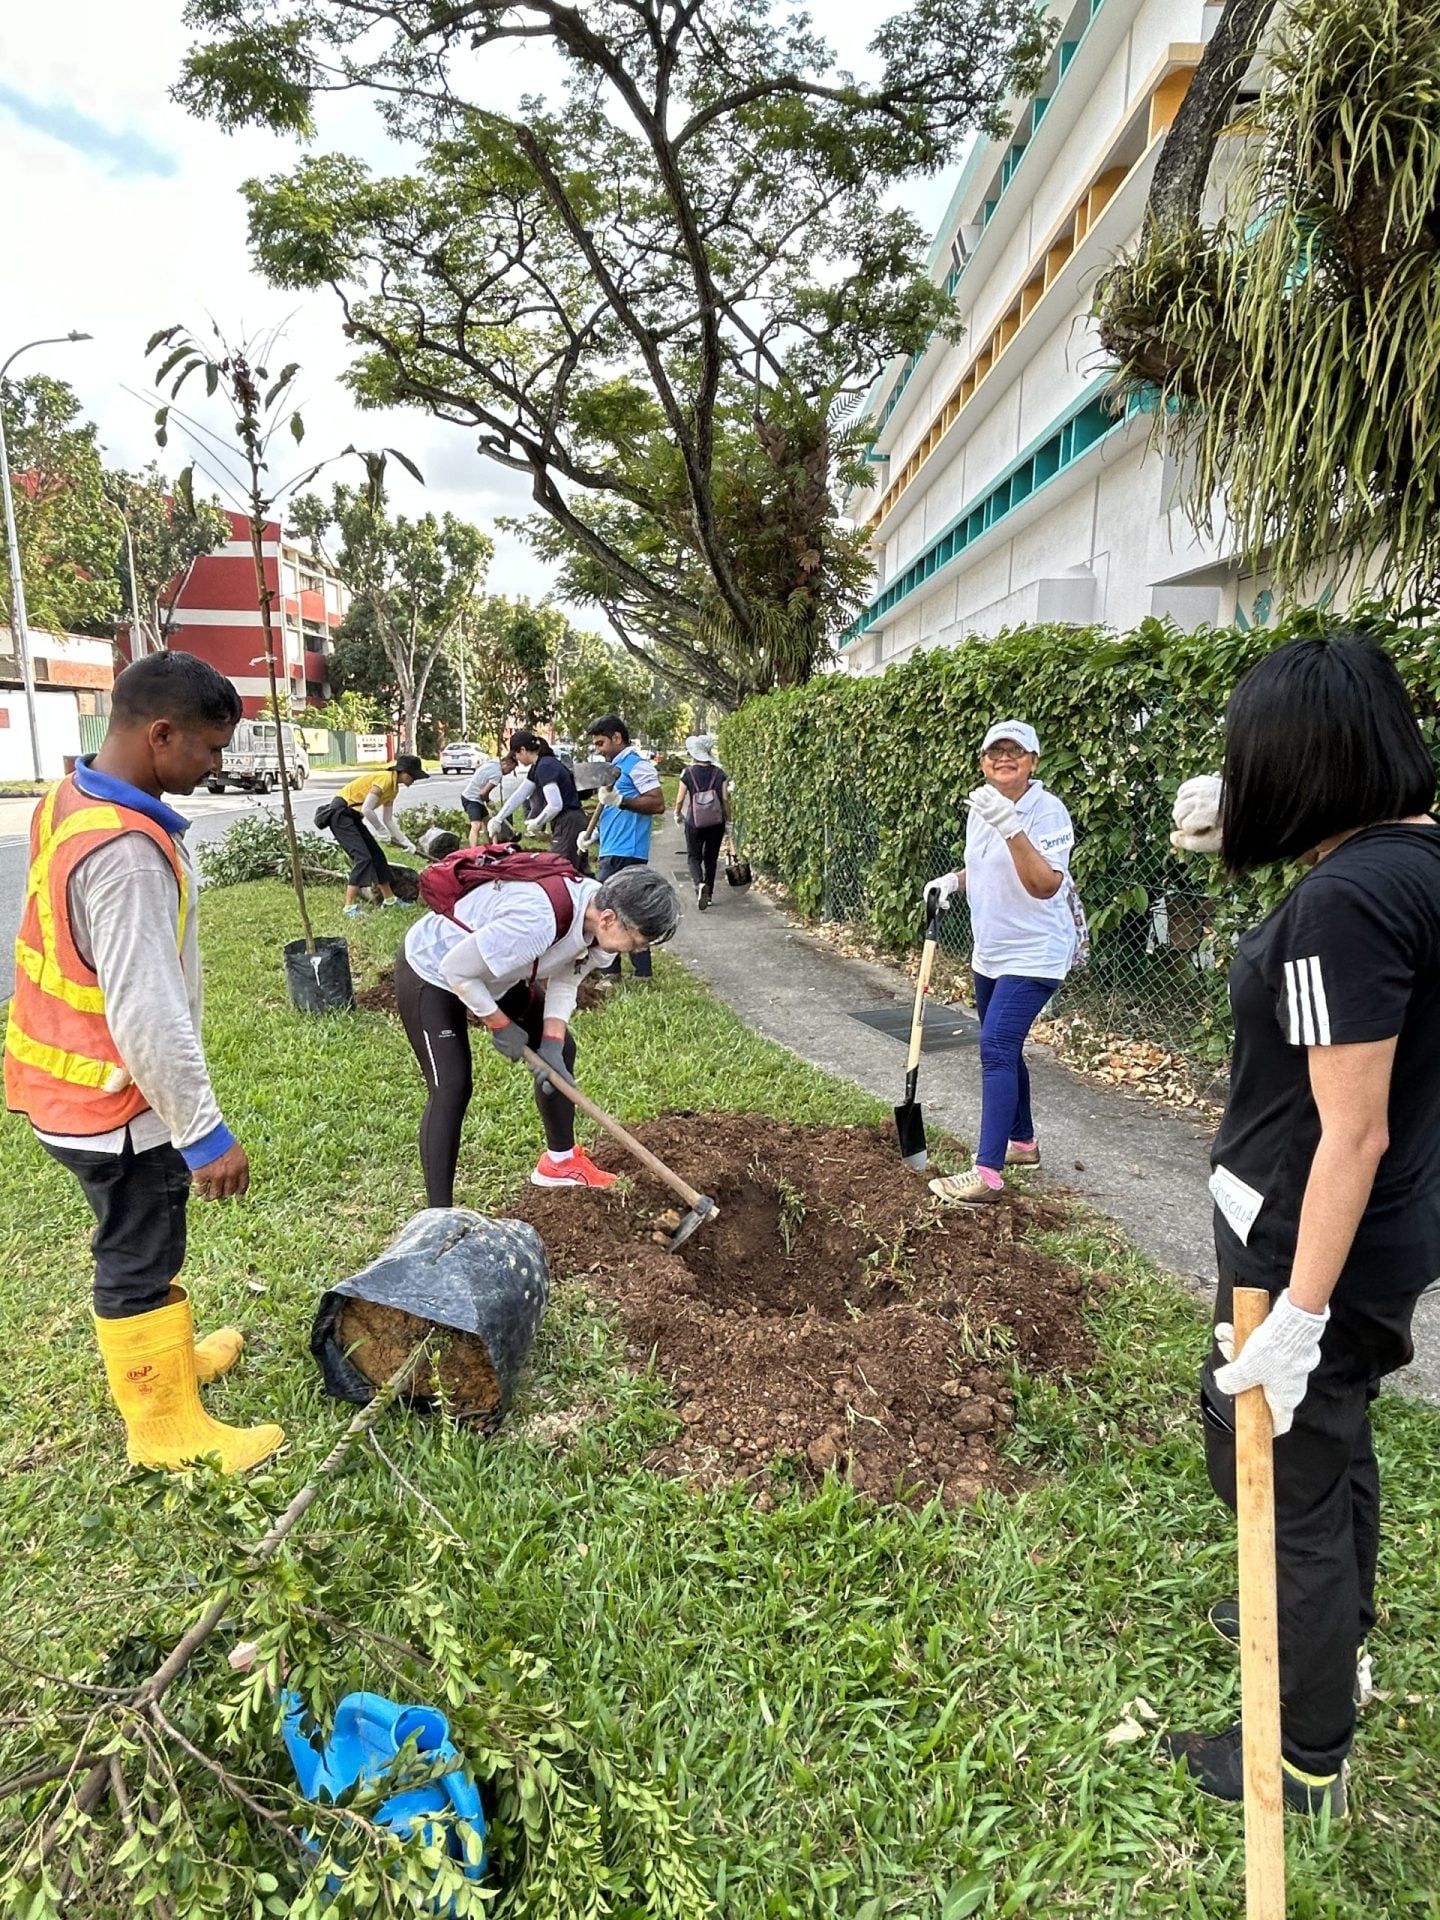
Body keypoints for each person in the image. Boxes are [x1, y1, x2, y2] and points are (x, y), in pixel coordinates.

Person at [1160, 635, 1440, 1818]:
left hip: (1308, 1245)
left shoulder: (1341, 904)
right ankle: (1336, 1623)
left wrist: (1299, 1316)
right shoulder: (1416, 864)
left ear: (1300, 764)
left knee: (1279, 1465)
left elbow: (1350, 1131)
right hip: (1390, 1230)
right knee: (1332, 1437)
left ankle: (1300, 1755)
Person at [3, 653, 283, 1474]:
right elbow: (147, 1013)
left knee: (143, 1243)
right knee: (139, 1253)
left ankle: (166, 1360)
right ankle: (164, 1430)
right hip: (118, 1103)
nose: (216, 766)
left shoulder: (70, 796)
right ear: (161, 734)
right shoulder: (126, 854)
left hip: (64, 1083)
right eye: (210, 748)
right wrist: (203, 1133)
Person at [393, 862, 681, 1203]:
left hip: (497, 972)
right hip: (433, 970)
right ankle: (439, 1213)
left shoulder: (600, 929)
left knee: (563, 1050)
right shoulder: (537, 921)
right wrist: (500, 1025)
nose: (636, 951)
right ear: (608, 918)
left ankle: (559, 1164)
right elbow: (456, 970)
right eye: (637, 941)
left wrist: (552, 1043)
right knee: (452, 1086)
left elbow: (567, 978)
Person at [923, 720, 1084, 1205]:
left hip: (1035, 953)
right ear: (983, 761)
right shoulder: (982, 807)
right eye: (995, 750)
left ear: (1033, 761)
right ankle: (1023, 1143)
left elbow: (1045, 884)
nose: (1004, 757)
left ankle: (987, 1173)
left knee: (995, 1046)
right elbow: (985, 865)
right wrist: (953, 881)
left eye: (1016, 750)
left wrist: (1012, 826)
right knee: (1006, 1049)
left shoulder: (1047, 811)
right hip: (990, 951)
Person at [581, 713, 665, 980]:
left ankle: (621, 972)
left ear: (617, 738)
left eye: (601, 743)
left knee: (608, 909)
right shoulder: (614, 769)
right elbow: (610, 813)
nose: (599, 750)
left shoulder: (637, 766)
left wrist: (622, 801)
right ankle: (622, 971)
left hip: (628, 852)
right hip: (611, 850)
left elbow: (657, 803)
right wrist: (593, 835)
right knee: (617, 910)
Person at [320, 754, 427, 915]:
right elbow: (367, 809)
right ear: (403, 772)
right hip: (340, 815)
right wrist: (380, 830)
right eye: (413, 776)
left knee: (377, 856)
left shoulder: (393, 789)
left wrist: (406, 842)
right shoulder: (385, 779)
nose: (414, 780)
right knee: (363, 858)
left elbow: (388, 819)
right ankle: (349, 907)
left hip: (353, 817)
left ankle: (390, 900)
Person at [487, 730, 589, 867]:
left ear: (523, 750)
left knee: (561, 868)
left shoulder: (545, 766)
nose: (516, 759)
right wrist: (498, 818)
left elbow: (555, 805)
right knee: (578, 869)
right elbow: (520, 794)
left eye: (516, 754)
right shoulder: (539, 765)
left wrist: (537, 822)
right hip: (570, 821)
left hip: (569, 821)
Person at [675, 733, 730, 910]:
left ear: (694, 753)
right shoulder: (719, 773)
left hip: (694, 822)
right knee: (711, 858)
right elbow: (725, 799)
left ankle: (699, 884)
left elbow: (680, 799)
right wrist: (728, 820)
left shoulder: (688, 773)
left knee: (694, 856)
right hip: (716, 822)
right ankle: (710, 894)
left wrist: (677, 814)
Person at [460, 750, 504, 848]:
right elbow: (483, 793)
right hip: (471, 798)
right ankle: (473, 851)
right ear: (507, 764)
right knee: (476, 825)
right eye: (511, 769)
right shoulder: (498, 774)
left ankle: (494, 847)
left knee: (488, 823)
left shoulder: (493, 763)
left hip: (477, 800)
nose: (509, 772)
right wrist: (488, 801)